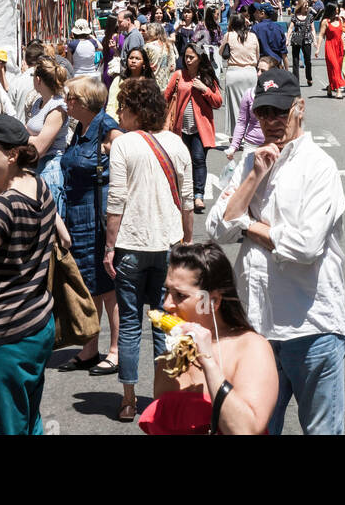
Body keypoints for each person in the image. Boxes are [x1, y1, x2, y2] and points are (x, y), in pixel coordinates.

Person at [207, 70, 345, 436]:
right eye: (263, 113)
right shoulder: (250, 162)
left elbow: (304, 246)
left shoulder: (319, 167)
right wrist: (253, 177)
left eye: (280, 112)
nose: (270, 122)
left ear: (299, 108)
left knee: (321, 431)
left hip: (310, 327)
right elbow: (216, 228)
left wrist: (246, 224)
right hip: (257, 328)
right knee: (255, 430)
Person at [0, 114, 69, 436]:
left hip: (7, 335)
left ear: (12, 154)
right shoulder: (38, 184)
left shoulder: (2, 209)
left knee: (4, 427)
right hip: (36, 323)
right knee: (26, 419)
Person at [104, 77, 194, 422]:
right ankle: (162, 399)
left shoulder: (124, 145)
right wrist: (186, 239)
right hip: (168, 244)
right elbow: (188, 199)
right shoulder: (176, 144)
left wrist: (109, 247)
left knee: (129, 324)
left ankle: (128, 400)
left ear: (135, 111)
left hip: (130, 244)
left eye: (122, 108)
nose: (119, 114)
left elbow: (116, 201)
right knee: (164, 322)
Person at [139, 241, 279, 435]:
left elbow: (246, 430)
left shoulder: (252, 348)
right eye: (167, 292)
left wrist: (209, 363)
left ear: (212, 301)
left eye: (180, 295)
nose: (167, 305)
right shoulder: (172, 356)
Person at [58, 76, 123, 375]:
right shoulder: (81, 128)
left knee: (108, 287)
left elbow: (124, 169)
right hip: (78, 215)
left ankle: (116, 350)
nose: (66, 102)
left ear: (84, 103)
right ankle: (89, 348)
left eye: (70, 98)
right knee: (89, 284)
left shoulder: (108, 128)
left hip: (98, 217)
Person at [164, 43, 223, 214]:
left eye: (192, 57)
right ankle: (183, 195)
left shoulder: (206, 78)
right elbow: (166, 98)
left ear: (199, 58)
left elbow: (217, 102)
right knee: (181, 162)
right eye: (186, 57)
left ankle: (198, 195)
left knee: (198, 160)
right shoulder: (178, 75)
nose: (188, 60)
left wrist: (204, 89)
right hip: (180, 127)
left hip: (200, 128)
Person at [26, 56, 70, 212]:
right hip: (37, 169)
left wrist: (22, 138)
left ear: (38, 80)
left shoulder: (57, 108)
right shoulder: (38, 103)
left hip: (50, 171)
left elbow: (40, 147)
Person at [225, 57, 283, 160]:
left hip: (273, 145)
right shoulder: (249, 94)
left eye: (263, 71)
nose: (258, 73)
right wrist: (234, 146)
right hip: (251, 145)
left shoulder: (281, 95)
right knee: (249, 175)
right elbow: (242, 122)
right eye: (258, 70)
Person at [220, 13, 261, 135]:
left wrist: (228, 31)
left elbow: (221, 52)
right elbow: (257, 55)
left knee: (236, 108)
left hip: (234, 72)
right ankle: (250, 134)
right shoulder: (253, 36)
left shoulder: (229, 35)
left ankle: (237, 136)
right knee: (251, 107)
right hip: (250, 72)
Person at [6, 39, 42, 123]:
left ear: (25, 60)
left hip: (20, 129)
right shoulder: (49, 80)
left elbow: (9, 110)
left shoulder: (16, 82)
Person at [316, 3, 345, 98]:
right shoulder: (326, 22)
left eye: (338, 11)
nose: (337, 14)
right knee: (334, 67)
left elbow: (341, 34)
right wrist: (317, 49)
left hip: (339, 47)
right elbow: (321, 35)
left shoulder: (340, 19)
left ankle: (330, 87)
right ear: (330, 11)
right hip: (330, 46)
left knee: (338, 68)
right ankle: (338, 91)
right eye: (335, 12)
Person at [285, 0, 315, 87]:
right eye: (305, 6)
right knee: (295, 61)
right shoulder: (295, 16)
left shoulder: (310, 16)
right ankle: (295, 81)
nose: (307, 7)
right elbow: (290, 28)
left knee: (308, 60)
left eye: (308, 6)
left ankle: (309, 77)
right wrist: (287, 39)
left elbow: (313, 29)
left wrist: (315, 41)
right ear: (301, 6)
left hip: (306, 40)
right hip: (296, 39)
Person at [144, 22, 177, 90]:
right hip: (167, 84)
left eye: (149, 29)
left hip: (152, 84)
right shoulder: (169, 45)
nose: (146, 32)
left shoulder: (148, 47)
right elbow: (173, 65)